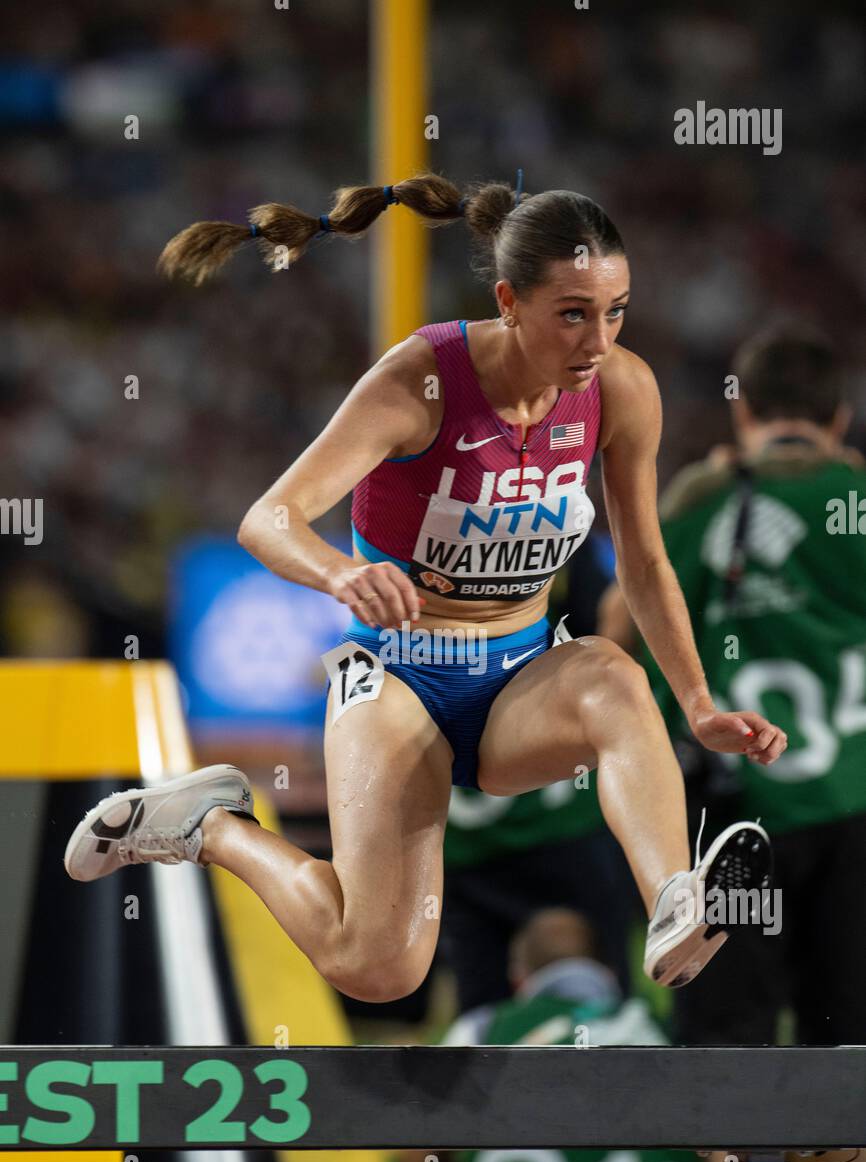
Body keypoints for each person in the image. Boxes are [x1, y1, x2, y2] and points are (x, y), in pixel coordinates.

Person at [64, 172, 786, 1001]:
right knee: (378, 969)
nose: (598, 341)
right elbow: (268, 519)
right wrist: (342, 572)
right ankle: (211, 827)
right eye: (573, 314)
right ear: (509, 301)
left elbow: (646, 562)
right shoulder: (419, 381)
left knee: (614, 679)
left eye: (616, 311)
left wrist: (697, 703)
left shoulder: (622, 389)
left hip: (520, 682)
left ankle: (675, 903)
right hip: (401, 678)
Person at [598, 323, 866, 1162]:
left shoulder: (700, 500)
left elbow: (615, 639)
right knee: (845, 1043)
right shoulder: (857, 500)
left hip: (733, 826)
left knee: (728, 1050)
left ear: (740, 411)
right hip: (855, 812)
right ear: (840, 418)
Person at [384, 909, 720, 1162]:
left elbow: (416, 1158)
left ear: (518, 978)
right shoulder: (668, 1038)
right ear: (611, 973)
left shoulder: (483, 1029)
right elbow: (724, 1150)